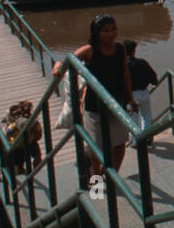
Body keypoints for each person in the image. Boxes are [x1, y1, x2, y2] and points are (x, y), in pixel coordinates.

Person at [55, 14, 136, 177]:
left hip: (116, 104)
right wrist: (58, 65)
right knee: (97, 148)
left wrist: (131, 98)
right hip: (95, 106)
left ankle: (111, 176)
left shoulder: (120, 49)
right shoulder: (90, 50)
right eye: (106, 31)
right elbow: (69, 60)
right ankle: (96, 181)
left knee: (119, 144)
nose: (111, 34)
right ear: (96, 33)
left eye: (113, 30)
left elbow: (125, 74)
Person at [124, 40, 159, 139]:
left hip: (130, 96)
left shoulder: (123, 66)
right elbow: (153, 76)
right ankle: (148, 138)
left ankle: (136, 142)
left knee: (133, 119)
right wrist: (154, 84)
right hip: (144, 93)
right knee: (146, 116)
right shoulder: (142, 62)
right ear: (133, 51)